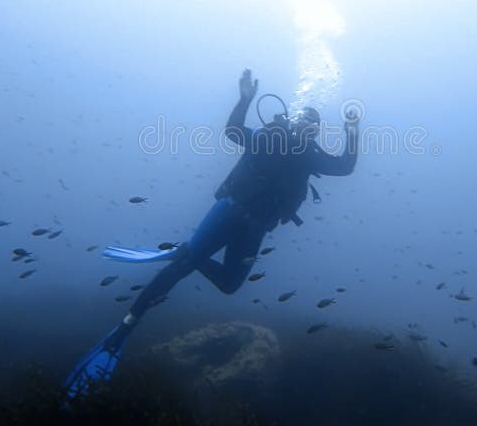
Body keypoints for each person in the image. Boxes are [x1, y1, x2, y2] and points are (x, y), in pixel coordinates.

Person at [65, 69, 359, 396]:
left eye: (312, 127)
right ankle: (127, 325)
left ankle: (187, 250)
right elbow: (234, 131)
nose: (306, 128)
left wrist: (352, 128)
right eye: (304, 122)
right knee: (184, 267)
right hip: (231, 211)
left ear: (314, 132)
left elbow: (344, 166)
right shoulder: (275, 138)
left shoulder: (307, 154)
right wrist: (244, 100)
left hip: (253, 227)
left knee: (228, 283)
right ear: (292, 121)